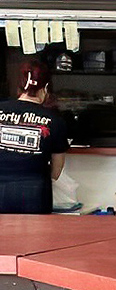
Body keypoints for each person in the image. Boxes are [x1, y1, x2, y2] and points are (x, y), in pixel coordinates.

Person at [0, 60, 70, 214]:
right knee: (35, 238)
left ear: (19, 87)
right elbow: (56, 172)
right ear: (45, 89)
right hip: (34, 195)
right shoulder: (55, 121)